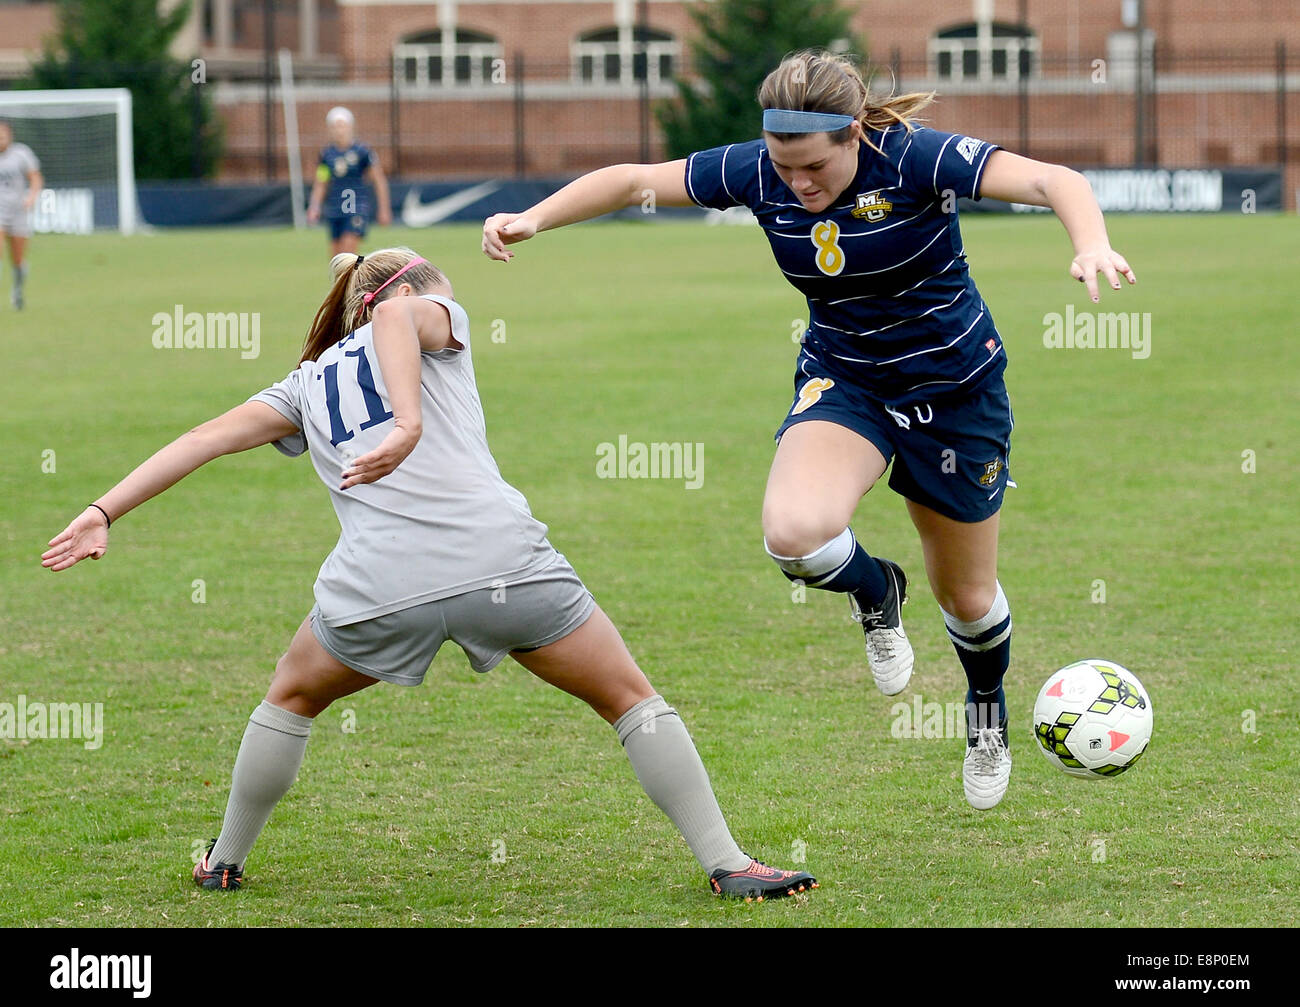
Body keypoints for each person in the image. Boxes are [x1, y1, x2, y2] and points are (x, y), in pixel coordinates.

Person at [41, 245, 817, 903]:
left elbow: (205, 436)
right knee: (628, 697)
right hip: (503, 567)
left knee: (291, 695)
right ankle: (728, 863)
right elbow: (393, 319)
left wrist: (104, 510)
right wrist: (409, 421)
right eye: (440, 297)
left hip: (378, 588)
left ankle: (223, 863)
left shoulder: (307, 383)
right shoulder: (413, 313)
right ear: (409, 292)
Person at [482, 50, 1137, 811]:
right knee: (795, 535)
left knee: (966, 596)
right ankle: (876, 590)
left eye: (815, 167)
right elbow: (634, 179)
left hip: (955, 392)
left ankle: (985, 719)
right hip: (848, 379)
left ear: (856, 132)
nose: (798, 183)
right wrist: (534, 217)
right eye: (783, 165)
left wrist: (1088, 242)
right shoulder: (759, 170)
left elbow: (1057, 180)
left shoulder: (913, 156)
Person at [306, 107, 392, 256]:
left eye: (342, 125)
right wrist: (314, 207)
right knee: (337, 258)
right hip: (335, 208)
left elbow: (379, 180)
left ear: (350, 127)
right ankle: (345, 280)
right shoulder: (326, 154)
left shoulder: (362, 152)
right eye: (335, 126)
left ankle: (355, 278)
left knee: (349, 253)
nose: (339, 130)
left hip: (355, 208)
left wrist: (384, 209)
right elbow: (321, 182)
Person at [0, 120, 43, 310]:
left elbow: (35, 177)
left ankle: (17, 291)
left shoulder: (21, 154)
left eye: (3, 135)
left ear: (10, 135)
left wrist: (32, 196)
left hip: (18, 211)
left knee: (17, 260)